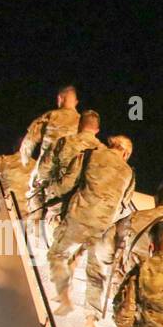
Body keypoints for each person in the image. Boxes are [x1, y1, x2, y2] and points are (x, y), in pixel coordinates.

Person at [46, 133, 135, 327]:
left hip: (80, 216)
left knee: (58, 254)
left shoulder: (90, 155)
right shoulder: (129, 173)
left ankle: (64, 294)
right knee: (96, 273)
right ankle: (90, 322)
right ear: (125, 153)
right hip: (104, 226)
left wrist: (51, 192)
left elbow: (67, 183)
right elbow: (124, 204)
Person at [27, 104, 98, 248]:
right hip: (86, 220)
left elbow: (43, 171)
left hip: (58, 210)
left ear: (79, 125)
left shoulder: (64, 142)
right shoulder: (102, 153)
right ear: (97, 130)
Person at [18, 85, 80, 174]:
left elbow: (28, 142)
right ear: (76, 102)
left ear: (60, 98)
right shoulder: (82, 122)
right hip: (71, 175)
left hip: (46, 173)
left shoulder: (50, 116)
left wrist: (26, 166)